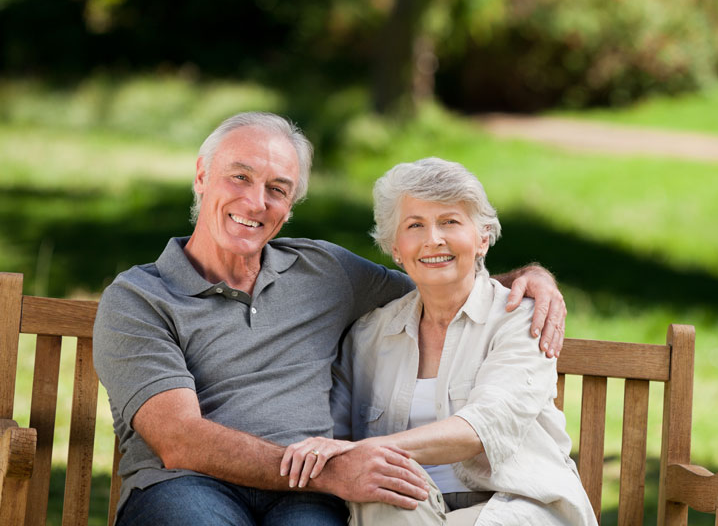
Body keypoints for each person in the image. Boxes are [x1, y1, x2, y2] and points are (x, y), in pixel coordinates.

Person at [92, 112, 567, 526]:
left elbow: (438, 280)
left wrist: (530, 276)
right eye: (239, 177)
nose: (257, 202)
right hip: (189, 484)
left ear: (291, 205)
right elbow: (180, 440)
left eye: (277, 189)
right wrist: (333, 470)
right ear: (201, 176)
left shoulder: (325, 271)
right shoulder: (140, 298)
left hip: (307, 496)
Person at [281, 158, 596, 525]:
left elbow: (483, 426)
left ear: (481, 238)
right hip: (414, 507)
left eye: (450, 221)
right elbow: (332, 434)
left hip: (518, 504)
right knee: (380, 493)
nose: (433, 239)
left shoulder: (521, 319)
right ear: (395, 248)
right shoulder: (370, 335)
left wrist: (360, 450)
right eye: (415, 225)